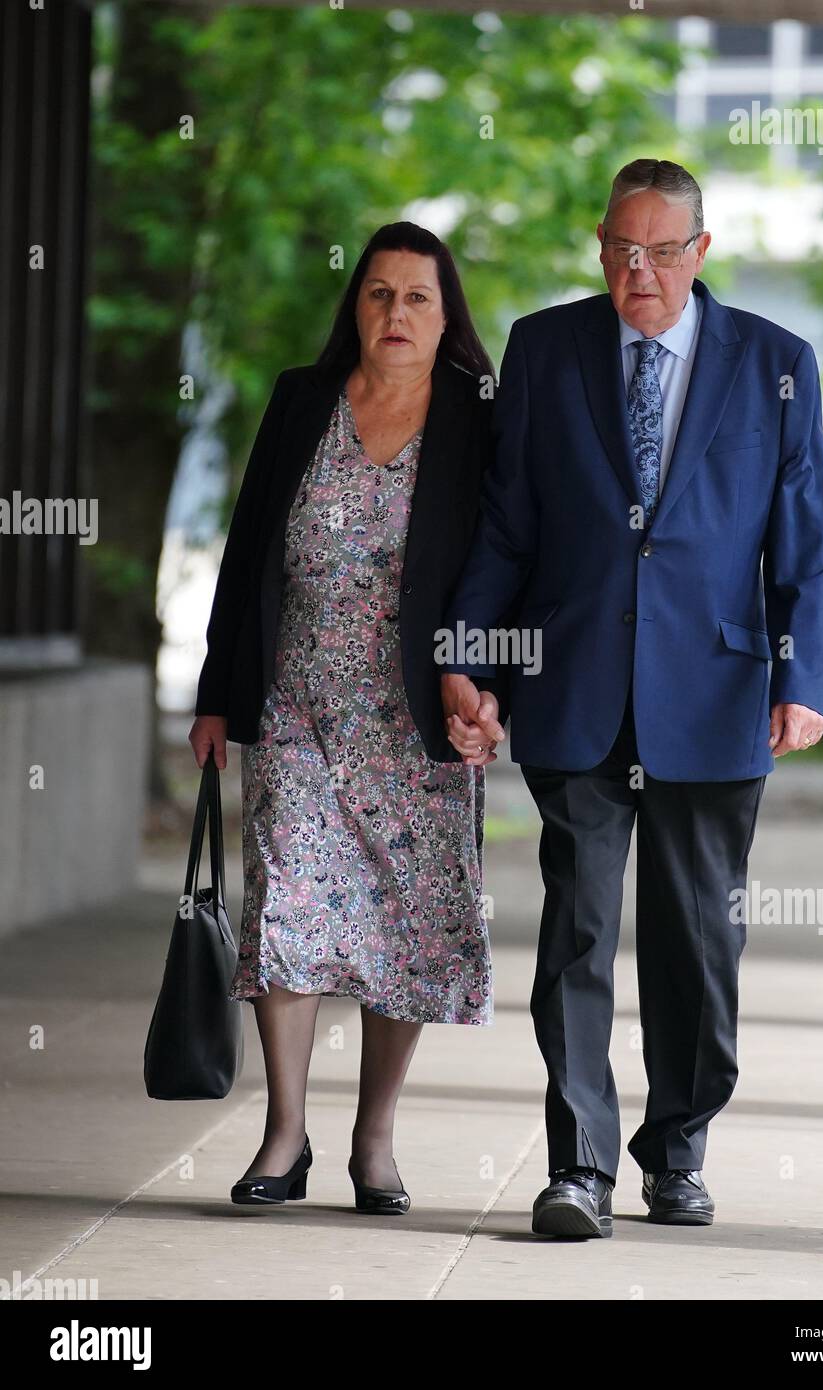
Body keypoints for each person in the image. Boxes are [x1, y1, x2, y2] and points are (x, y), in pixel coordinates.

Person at [441, 159, 823, 1238]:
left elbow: (806, 545)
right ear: (599, 246)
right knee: (576, 931)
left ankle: (676, 1150)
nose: (640, 269)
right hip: (573, 686)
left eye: (663, 249)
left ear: (699, 252)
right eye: (623, 247)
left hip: (714, 695)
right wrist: (470, 657)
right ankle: (578, 1167)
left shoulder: (776, 363)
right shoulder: (543, 349)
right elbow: (506, 525)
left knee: (697, 944)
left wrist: (803, 677)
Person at [189, 222, 506, 1214]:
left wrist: (491, 686)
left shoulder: (478, 415)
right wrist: (213, 690)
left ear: (446, 313)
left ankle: (375, 1139)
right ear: (353, 308)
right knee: (285, 896)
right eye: (377, 294)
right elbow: (247, 553)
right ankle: (285, 1134)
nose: (394, 313)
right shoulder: (300, 400)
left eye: (416, 296)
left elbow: (508, 562)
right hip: (296, 696)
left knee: (402, 921)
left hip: (417, 709)